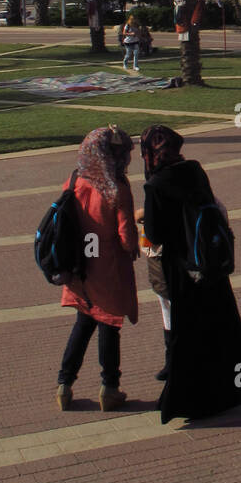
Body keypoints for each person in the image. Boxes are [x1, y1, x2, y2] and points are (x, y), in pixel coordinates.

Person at [140, 124, 241, 423]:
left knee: (190, 333)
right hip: (208, 260)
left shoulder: (155, 185)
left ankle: (193, 400)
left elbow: (155, 233)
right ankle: (235, 387)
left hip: (181, 267)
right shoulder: (194, 170)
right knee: (221, 325)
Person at [56, 126, 139, 412]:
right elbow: (127, 238)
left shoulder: (75, 179)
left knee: (82, 323)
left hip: (79, 265)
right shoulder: (117, 187)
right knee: (108, 325)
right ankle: (110, 387)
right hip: (108, 268)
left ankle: (64, 385)